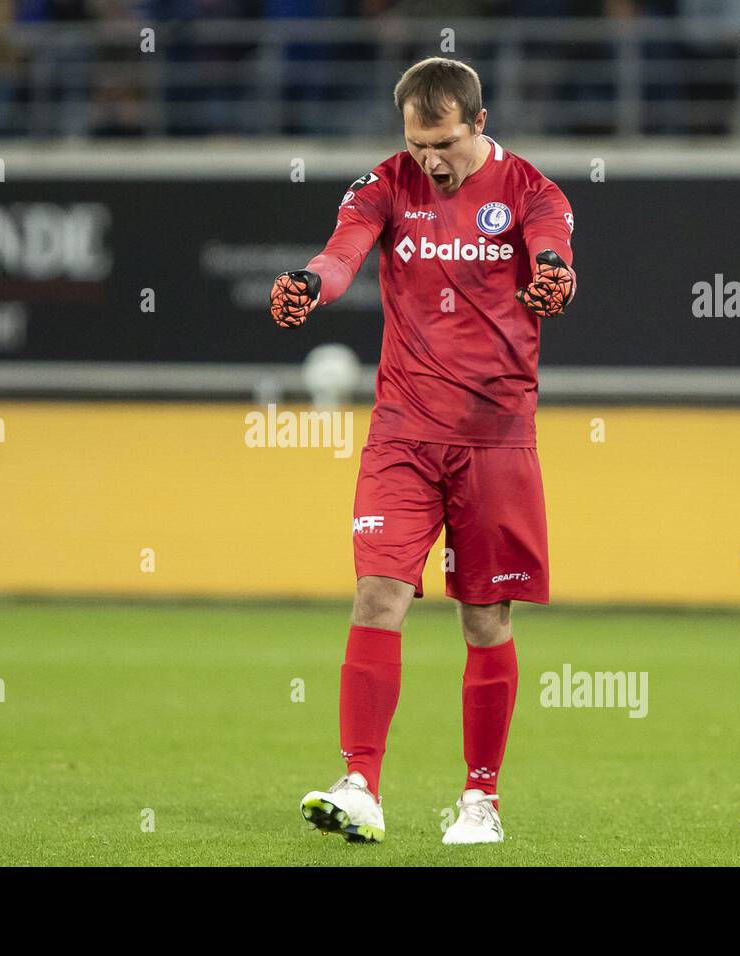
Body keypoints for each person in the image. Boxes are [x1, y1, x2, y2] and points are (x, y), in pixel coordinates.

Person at [269, 56, 577, 845]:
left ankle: (481, 802)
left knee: (484, 621)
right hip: (403, 433)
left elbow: (553, 251)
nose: (429, 158)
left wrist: (554, 274)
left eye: (442, 141)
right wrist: (311, 281)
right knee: (378, 595)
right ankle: (361, 784)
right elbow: (343, 252)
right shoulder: (386, 183)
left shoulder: (532, 192)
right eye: (416, 142)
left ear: (478, 123)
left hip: (496, 440)